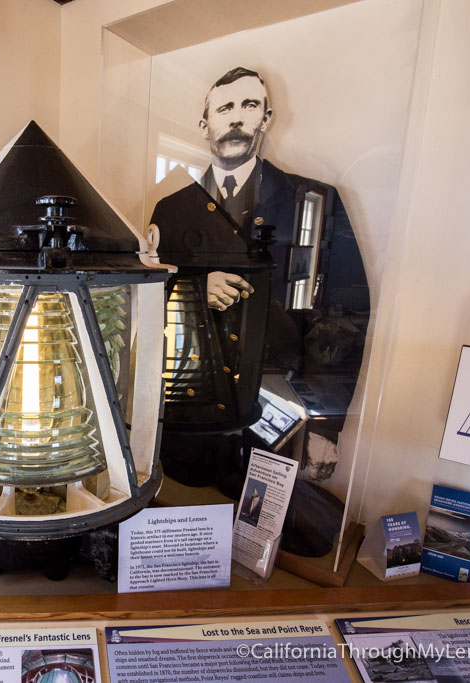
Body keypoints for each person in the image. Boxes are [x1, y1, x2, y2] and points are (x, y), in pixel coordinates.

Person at [150, 67, 369, 495]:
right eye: (225, 108)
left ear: (265, 118)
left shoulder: (311, 200)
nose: (236, 118)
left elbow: (342, 317)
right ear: (205, 125)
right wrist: (195, 291)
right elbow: (142, 306)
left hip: (274, 410)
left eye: (249, 106)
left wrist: (324, 423)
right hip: (188, 417)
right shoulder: (171, 209)